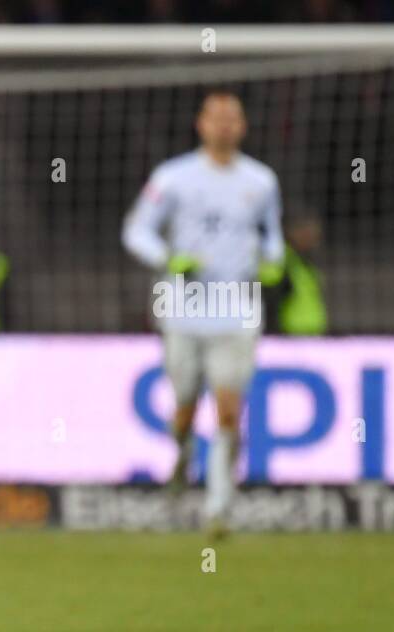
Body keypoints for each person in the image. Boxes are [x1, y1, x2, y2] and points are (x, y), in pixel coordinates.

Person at [122, 89, 284, 537]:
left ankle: (218, 509)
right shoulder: (173, 177)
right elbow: (137, 230)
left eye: (233, 118)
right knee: (185, 410)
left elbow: (272, 237)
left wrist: (272, 260)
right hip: (183, 309)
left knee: (230, 411)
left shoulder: (261, 181)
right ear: (201, 124)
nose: (225, 126)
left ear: (243, 126)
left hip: (237, 310)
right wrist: (167, 257)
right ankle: (182, 451)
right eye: (217, 118)